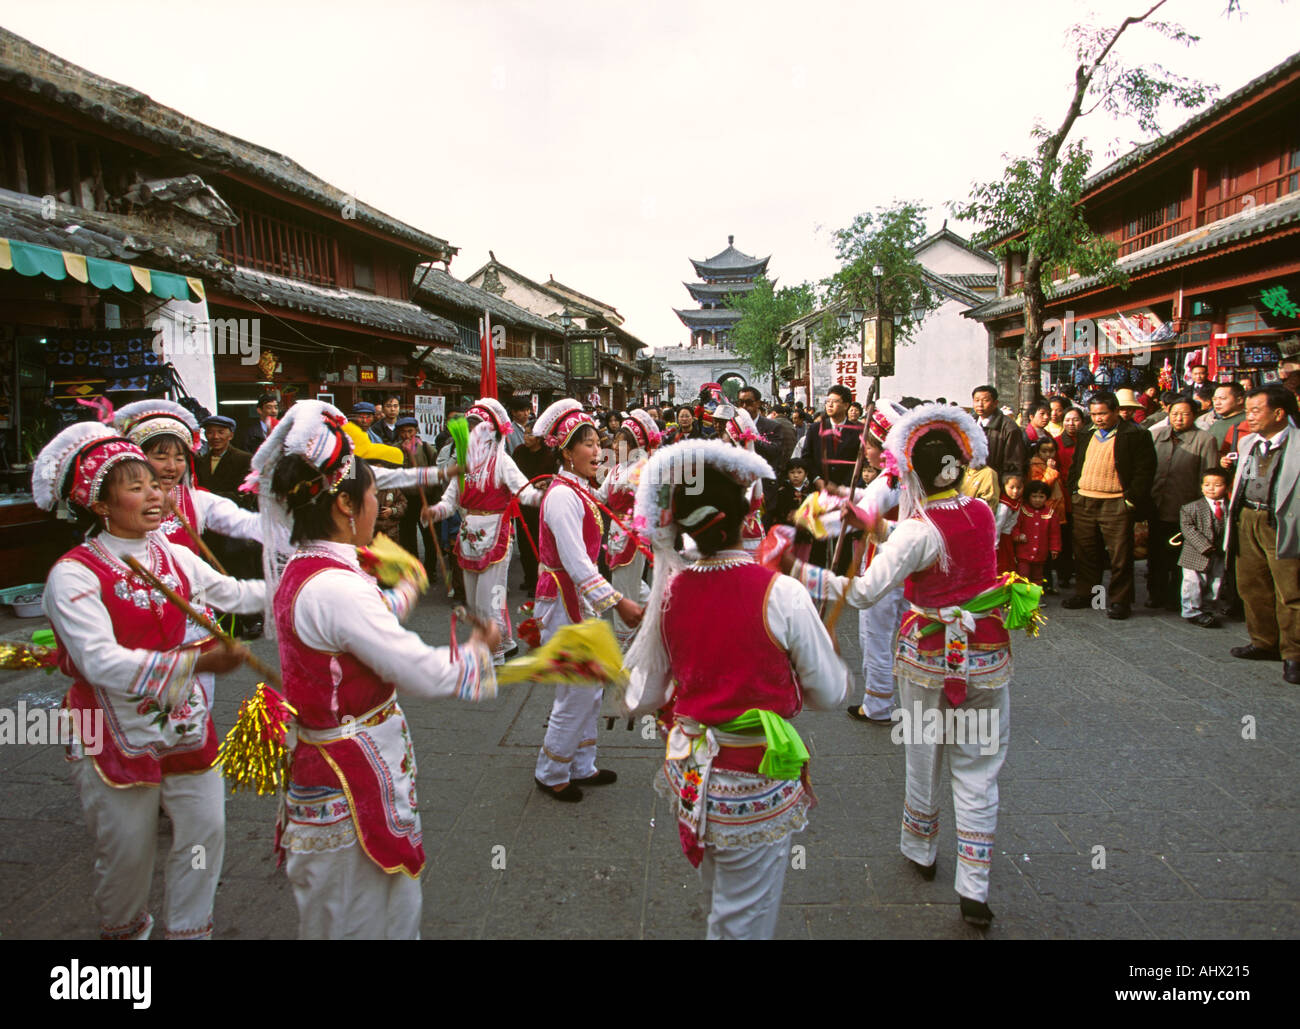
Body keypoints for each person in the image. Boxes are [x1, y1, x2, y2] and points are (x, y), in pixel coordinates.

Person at [256, 400, 500, 939]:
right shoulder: (336, 585)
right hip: (348, 774)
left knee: (372, 907)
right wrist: (479, 652)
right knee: (364, 917)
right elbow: (420, 671)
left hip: (338, 760)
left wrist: (408, 585)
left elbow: (360, 629)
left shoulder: (309, 568)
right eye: (374, 497)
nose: (381, 509)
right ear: (345, 504)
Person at [779, 404, 1018, 928]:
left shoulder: (917, 529)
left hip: (929, 658)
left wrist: (801, 573)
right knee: (978, 767)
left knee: (924, 752)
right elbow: (927, 544)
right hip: (985, 655)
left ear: (914, 475)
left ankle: (921, 847)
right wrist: (869, 521)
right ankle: (974, 886)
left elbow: (865, 592)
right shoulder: (983, 512)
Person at [34, 421, 263, 940]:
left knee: (206, 830)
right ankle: (126, 933)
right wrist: (195, 666)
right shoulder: (74, 575)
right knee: (126, 855)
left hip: (184, 722)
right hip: (109, 730)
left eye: (156, 485)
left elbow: (235, 594)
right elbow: (98, 662)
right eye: (136, 487)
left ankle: (189, 930)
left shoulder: (173, 554)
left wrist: (312, 582)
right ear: (99, 503)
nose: (156, 495)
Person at [624, 439, 847, 939]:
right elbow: (830, 693)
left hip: (694, 774)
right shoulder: (781, 592)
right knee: (743, 917)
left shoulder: (670, 591)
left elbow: (645, 695)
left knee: (719, 897)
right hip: (754, 778)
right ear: (746, 513)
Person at [531, 399, 644, 801]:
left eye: (600, 443)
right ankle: (551, 770)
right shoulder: (563, 496)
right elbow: (578, 564)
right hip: (563, 600)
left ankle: (581, 763)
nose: (599, 451)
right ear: (566, 452)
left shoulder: (578, 489)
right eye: (589, 444)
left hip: (579, 601)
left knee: (590, 685)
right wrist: (620, 603)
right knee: (577, 689)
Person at [426, 397, 542, 663]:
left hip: (496, 533)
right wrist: (435, 511)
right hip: (468, 536)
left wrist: (544, 496)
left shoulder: (502, 462)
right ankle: (505, 641)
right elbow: (450, 500)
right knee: (477, 600)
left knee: (491, 596)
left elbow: (524, 492)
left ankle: (493, 652)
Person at [1224, 385, 1300, 684]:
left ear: (1279, 413)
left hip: (1282, 522)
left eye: (1257, 410)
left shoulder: (1296, 444)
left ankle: (1293, 653)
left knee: (1290, 591)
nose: (1249, 416)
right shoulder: (1250, 444)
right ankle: (1263, 641)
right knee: (1251, 584)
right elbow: (1252, 478)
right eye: (1248, 410)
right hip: (1247, 517)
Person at [1062, 391, 1157, 620]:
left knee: (1120, 555)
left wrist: (1130, 499)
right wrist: (1074, 489)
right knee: (1085, 551)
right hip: (1084, 499)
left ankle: (1119, 601)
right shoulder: (1086, 432)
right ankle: (1089, 595)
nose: (1098, 418)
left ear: (1116, 411)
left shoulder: (1135, 434)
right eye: (1094, 414)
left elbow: (1145, 470)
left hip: (1116, 502)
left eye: (1103, 413)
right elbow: (1077, 463)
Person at [1147, 398, 1220, 610]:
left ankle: (1176, 595)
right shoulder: (1156, 435)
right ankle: (1156, 593)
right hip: (1157, 504)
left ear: (1194, 415)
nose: (1179, 418)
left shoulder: (1205, 440)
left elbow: (1208, 475)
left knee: (1180, 557)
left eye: (1185, 414)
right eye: (1175, 413)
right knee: (1156, 553)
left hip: (1185, 508)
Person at [597, 408, 661, 648]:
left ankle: (625, 644)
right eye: (615, 442)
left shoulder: (642, 469)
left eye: (621, 443)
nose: (614, 447)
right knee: (632, 585)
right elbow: (601, 496)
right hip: (616, 532)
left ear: (634, 446)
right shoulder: (615, 469)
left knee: (623, 590)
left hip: (633, 534)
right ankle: (661, 618)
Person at [1179, 468, 1231, 628]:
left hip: (1220, 552)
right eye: (1207, 484)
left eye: (1217, 485)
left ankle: (1208, 608)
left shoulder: (1231, 508)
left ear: (1227, 487)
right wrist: (1204, 545)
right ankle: (1192, 611)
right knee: (1193, 583)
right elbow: (1188, 529)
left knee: (1216, 582)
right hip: (1196, 553)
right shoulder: (1190, 508)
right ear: (1201, 487)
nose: (1211, 488)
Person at [395, 416, 440, 579]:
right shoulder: (394, 449)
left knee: (429, 535)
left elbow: (436, 474)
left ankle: (430, 569)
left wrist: (433, 500)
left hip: (424, 499)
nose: (406, 435)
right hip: (405, 499)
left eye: (410, 431)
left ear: (416, 431)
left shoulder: (427, 448)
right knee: (407, 537)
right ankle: (413, 569)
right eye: (403, 432)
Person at [512, 420, 554, 595]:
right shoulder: (519, 452)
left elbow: (555, 475)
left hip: (540, 504)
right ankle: (529, 578)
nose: (525, 437)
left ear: (539, 437)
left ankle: (539, 580)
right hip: (522, 502)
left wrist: (546, 482)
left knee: (538, 542)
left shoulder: (549, 455)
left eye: (529, 434)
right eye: (525, 433)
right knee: (523, 542)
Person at [971, 385, 1026, 482]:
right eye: (976, 400)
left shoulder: (1009, 428)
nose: (980, 404)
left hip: (994, 482)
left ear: (995, 403)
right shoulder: (968, 423)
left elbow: (1014, 463)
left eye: (985, 400)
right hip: (970, 481)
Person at [1013, 481, 1060, 588]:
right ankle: (1023, 599)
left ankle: (1035, 599)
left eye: (1041, 496)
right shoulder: (1022, 511)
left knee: (1038, 577)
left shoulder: (1050, 514)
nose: (1037, 500)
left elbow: (1055, 533)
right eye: (1034, 496)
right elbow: (1015, 527)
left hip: (1041, 553)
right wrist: (1018, 536)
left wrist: (1055, 548)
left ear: (1046, 497)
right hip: (1023, 552)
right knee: (1023, 575)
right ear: (1028, 496)